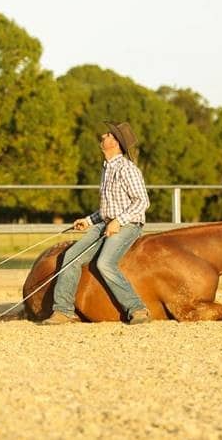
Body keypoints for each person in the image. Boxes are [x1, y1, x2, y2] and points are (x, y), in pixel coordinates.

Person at [42, 121, 151, 325]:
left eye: (109, 134)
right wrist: (88, 220)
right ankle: (63, 311)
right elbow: (107, 210)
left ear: (116, 143)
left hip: (128, 225)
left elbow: (142, 201)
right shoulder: (106, 169)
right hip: (106, 223)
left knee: (104, 263)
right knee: (71, 257)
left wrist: (118, 221)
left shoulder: (127, 169)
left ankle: (137, 309)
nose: (104, 135)